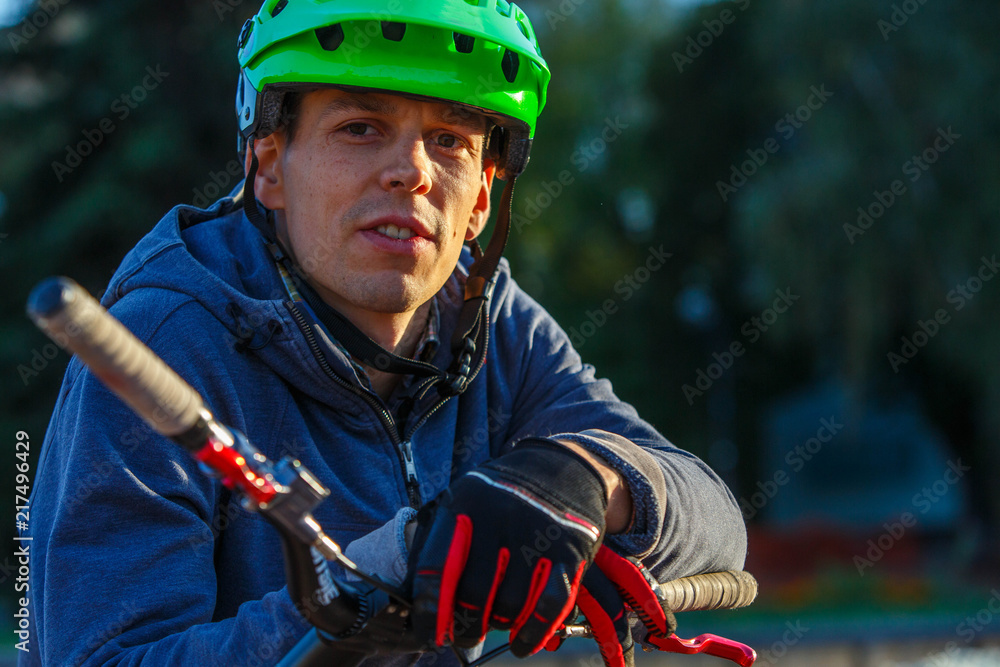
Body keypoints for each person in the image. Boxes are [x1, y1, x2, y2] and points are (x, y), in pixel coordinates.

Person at [23, 1, 747, 665]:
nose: (410, 172)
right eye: (360, 129)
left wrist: (589, 478)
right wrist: (383, 571)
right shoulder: (161, 342)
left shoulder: (491, 318)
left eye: (449, 140)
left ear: (482, 200)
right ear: (270, 165)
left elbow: (717, 519)